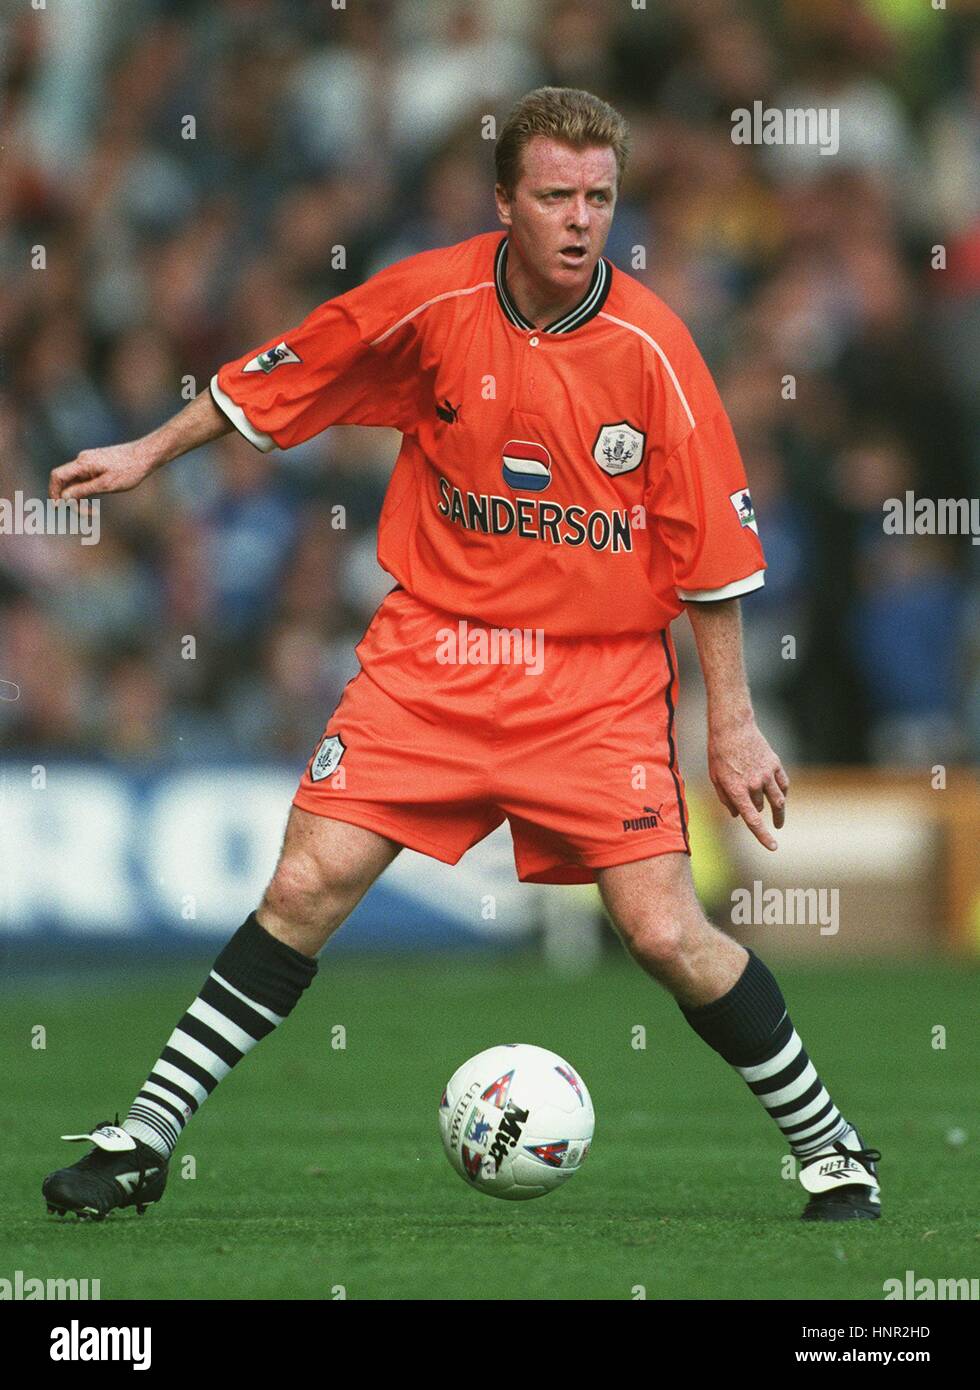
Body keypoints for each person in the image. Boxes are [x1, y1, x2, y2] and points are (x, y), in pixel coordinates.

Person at [43, 88, 879, 1223]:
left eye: (598, 197)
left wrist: (729, 722)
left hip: (593, 684)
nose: (580, 220)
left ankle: (831, 1148)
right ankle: (144, 1137)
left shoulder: (654, 349)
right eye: (554, 197)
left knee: (665, 934)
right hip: (431, 659)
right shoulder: (431, 297)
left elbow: (712, 557)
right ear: (503, 202)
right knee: (303, 886)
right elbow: (284, 371)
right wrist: (150, 449)